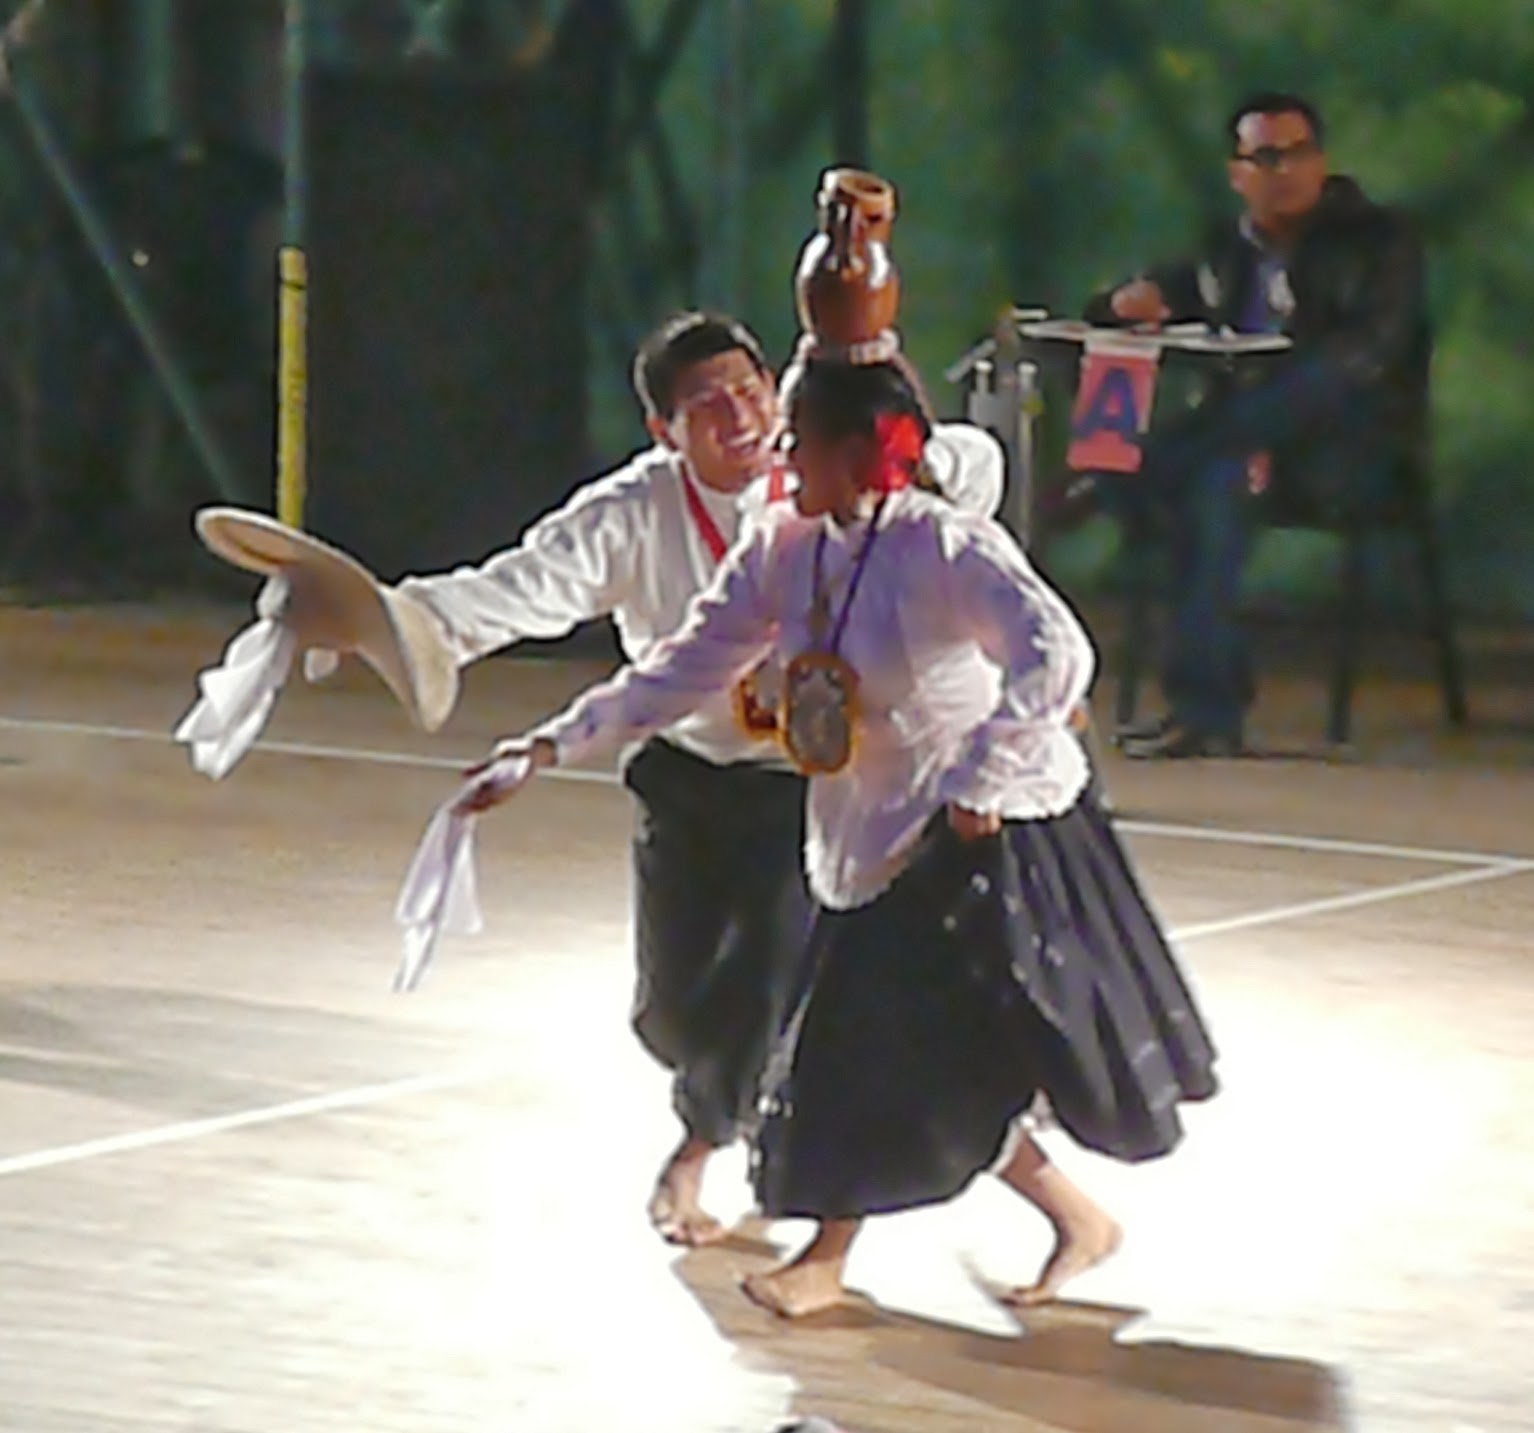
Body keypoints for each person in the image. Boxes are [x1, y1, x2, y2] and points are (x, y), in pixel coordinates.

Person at [456, 355, 1218, 1318]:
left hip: (972, 836)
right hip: (871, 829)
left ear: (860, 454)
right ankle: (1077, 1219)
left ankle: (823, 1259)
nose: (779, 451)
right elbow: (683, 665)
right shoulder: (787, 546)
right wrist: (549, 745)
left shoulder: (941, 548)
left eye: (798, 437)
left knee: (849, 1042)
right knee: (943, 1052)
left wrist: (983, 774)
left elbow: (1057, 651)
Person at [391, 311, 1007, 1247]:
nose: (740, 416)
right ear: (663, 432)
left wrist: (906, 456)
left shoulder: (829, 476)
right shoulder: (633, 512)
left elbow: (970, 462)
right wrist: (418, 624)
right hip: (685, 769)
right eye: (706, 404)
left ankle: (708, 1145)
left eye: (752, 391)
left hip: (806, 786)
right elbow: (532, 586)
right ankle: (738, 1109)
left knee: (763, 972)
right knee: (670, 1008)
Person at [1084, 91, 1431, 758]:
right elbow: (1143, 295)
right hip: (1239, 443)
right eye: (1266, 157)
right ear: (1236, 172)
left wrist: (1261, 432)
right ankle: (1210, 695)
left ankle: (1206, 706)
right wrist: (1122, 304)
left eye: (1299, 154)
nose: (1285, 171)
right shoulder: (1228, 248)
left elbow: (1360, 361)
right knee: (1160, 475)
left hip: (1350, 447)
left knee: (1200, 475)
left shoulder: (1381, 241)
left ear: (1323, 161)